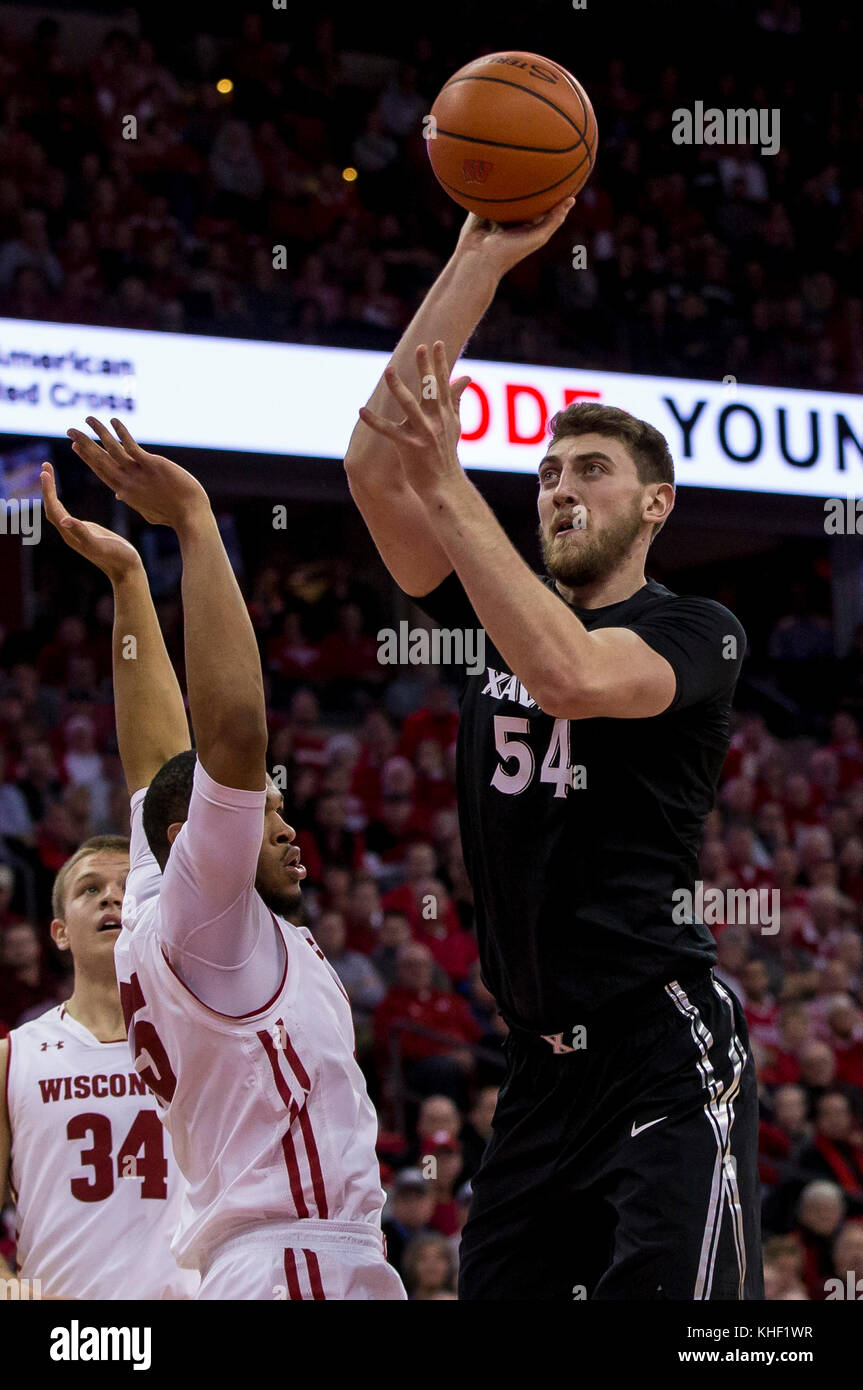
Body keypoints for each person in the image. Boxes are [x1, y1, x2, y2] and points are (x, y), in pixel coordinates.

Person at [345, 199, 763, 1300]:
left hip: (659, 1046)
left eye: (587, 471)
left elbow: (568, 672)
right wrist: (473, 258)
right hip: (535, 1065)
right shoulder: (501, 599)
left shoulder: (695, 629)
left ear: (654, 504)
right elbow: (372, 474)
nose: (559, 489)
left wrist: (449, 483)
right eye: (544, 475)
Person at [41, 420, 405, 1302]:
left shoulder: (165, 903)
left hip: (260, 1263)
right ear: (200, 841)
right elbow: (232, 737)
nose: (284, 827)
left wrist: (129, 580)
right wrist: (197, 524)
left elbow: (153, 768)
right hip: (299, 1261)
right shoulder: (212, 916)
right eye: (264, 811)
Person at [0, 836, 196, 1299]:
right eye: (90, 888)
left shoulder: (203, 1043)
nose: (112, 896)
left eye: (129, 886)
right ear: (60, 932)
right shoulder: (12, 1058)